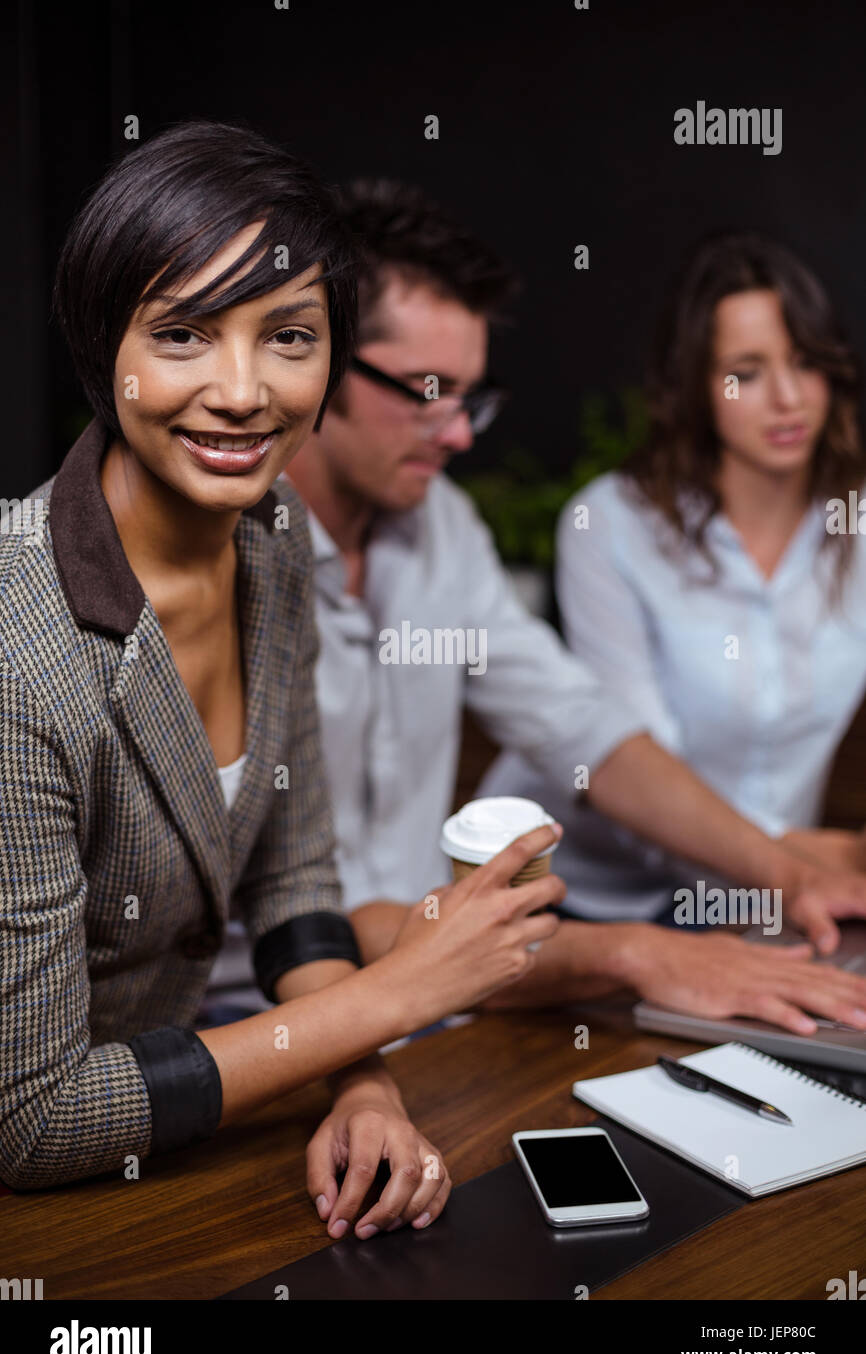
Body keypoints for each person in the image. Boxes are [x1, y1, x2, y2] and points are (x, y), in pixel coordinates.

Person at [0, 120, 569, 1241]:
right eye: (181, 334)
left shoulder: (271, 533)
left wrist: (360, 1085)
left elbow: (293, 878)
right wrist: (399, 995)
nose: (243, 390)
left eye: (290, 336)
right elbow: (33, 1117)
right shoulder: (21, 651)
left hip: (188, 1145)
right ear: (98, 345)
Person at [208, 185, 866, 1038]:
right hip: (251, 1024)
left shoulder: (442, 527)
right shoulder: (220, 560)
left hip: (448, 1004)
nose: (458, 435)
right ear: (313, 362)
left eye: (472, 399)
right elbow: (316, 920)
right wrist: (629, 951)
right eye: (426, 392)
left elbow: (583, 726)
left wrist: (785, 874)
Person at [485, 230, 866, 1029]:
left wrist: (807, 865)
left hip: (766, 902)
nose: (789, 399)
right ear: (694, 386)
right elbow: (633, 764)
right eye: (747, 374)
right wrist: (802, 854)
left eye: (805, 363)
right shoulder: (611, 523)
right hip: (583, 906)